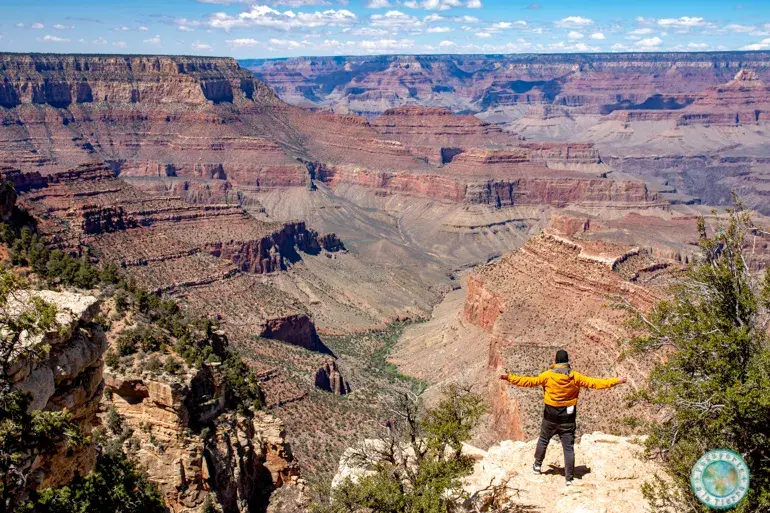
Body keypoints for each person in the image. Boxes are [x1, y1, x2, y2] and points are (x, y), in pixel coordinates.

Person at [499, 349, 627, 486]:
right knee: (568, 448)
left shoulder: (547, 375)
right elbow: (596, 383)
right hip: (568, 419)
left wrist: (509, 377)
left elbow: (529, 381)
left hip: (550, 417)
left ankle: (537, 465)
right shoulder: (575, 376)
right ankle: (569, 479)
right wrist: (616, 381)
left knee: (543, 440)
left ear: (555, 361)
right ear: (567, 362)